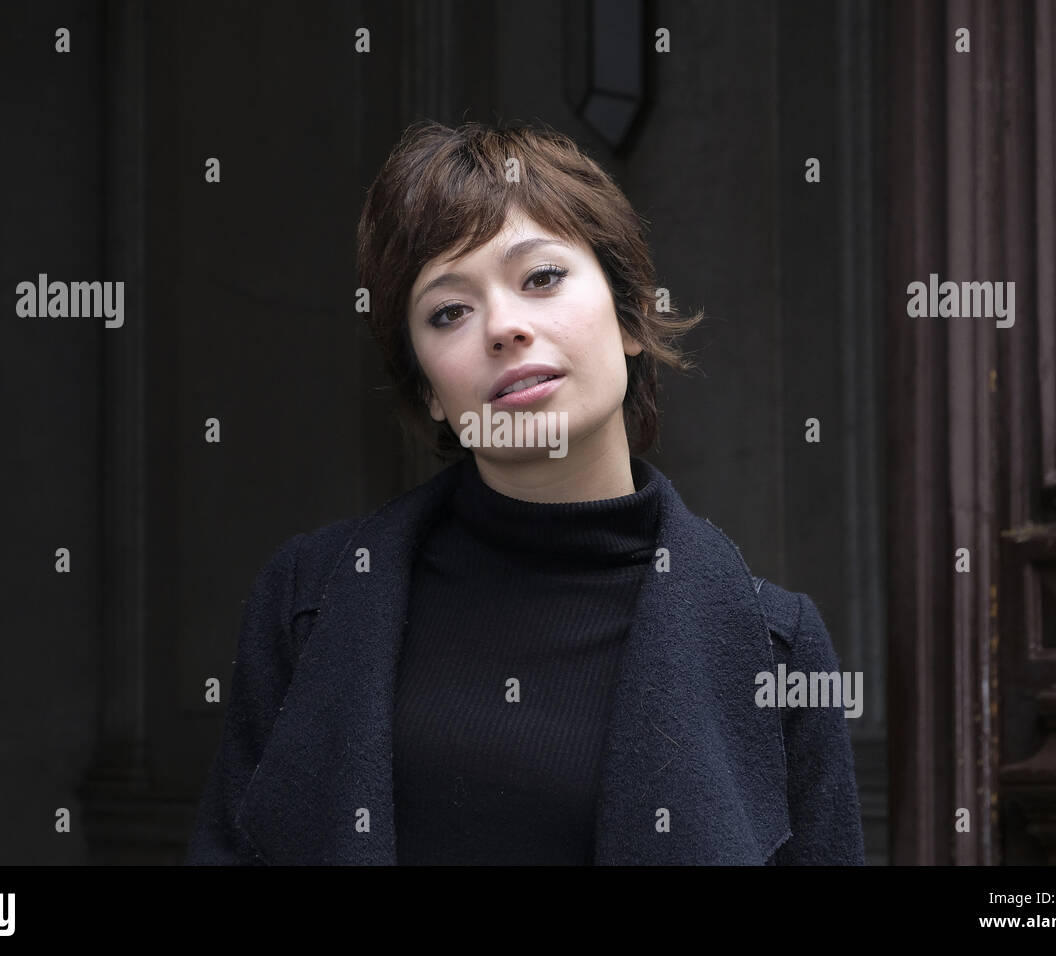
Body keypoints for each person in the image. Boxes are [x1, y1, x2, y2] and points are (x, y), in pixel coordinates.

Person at [185, 120, 864, 865]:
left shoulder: (776, 647)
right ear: (431, 393)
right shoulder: (310, 598)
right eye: (449, 311)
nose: (504, 326)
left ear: (631, 314)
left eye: (541, 277)